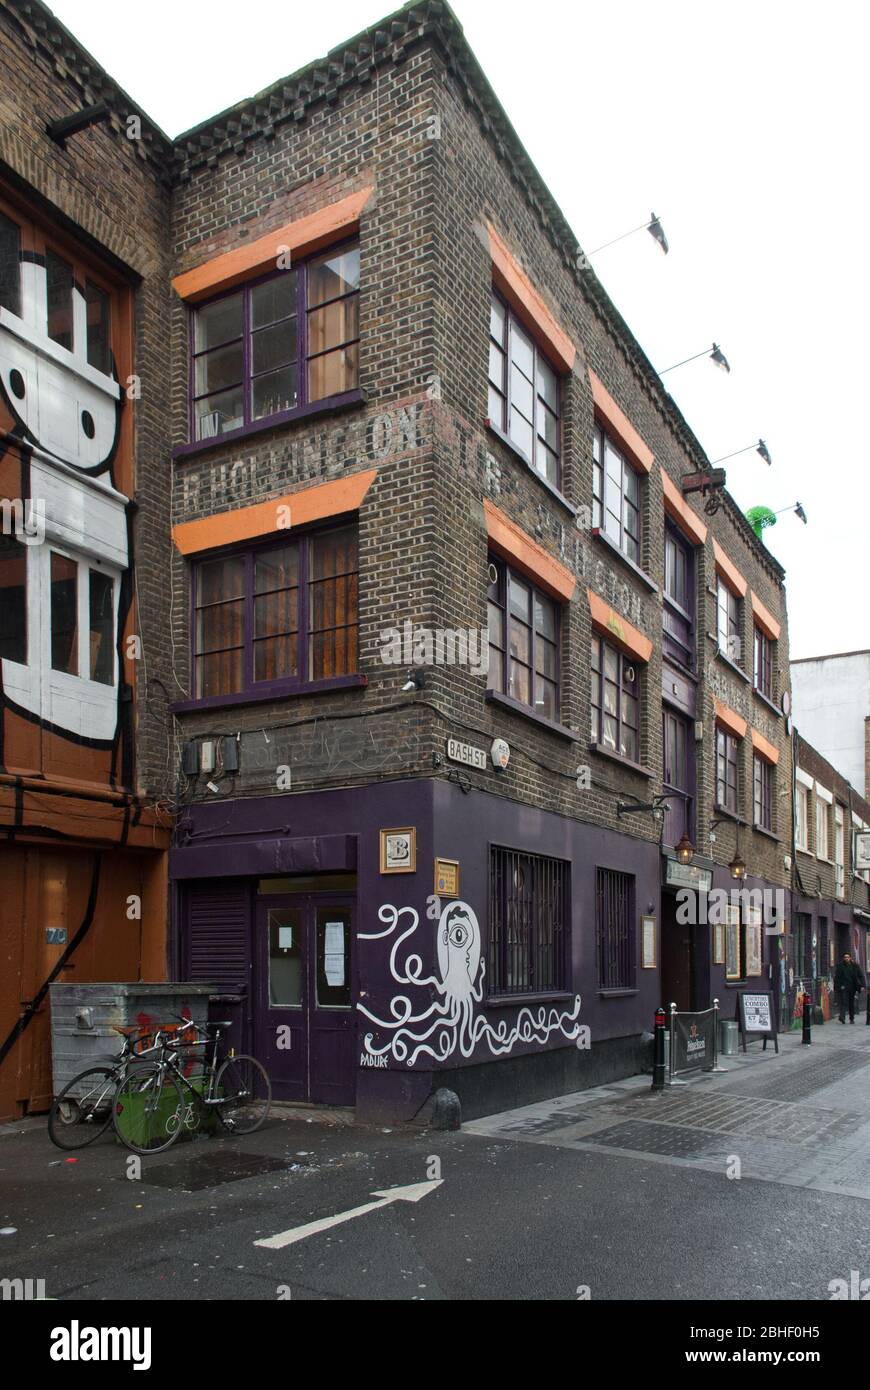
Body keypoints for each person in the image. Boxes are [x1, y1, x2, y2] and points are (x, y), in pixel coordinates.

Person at [833, 952, 865, 1024]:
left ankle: (851, 1018)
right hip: (844, 987)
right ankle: (842, 1017)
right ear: (843, 958)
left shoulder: (855, 966)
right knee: (843, 1001)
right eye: (845, 957)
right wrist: (838, 986)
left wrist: (863, 985)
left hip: (853, 987)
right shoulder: (840, 966)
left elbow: (861, 976)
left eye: (848, 957)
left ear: (850, 958)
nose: (846, 958)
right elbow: (837, 978)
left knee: (851, 1002)